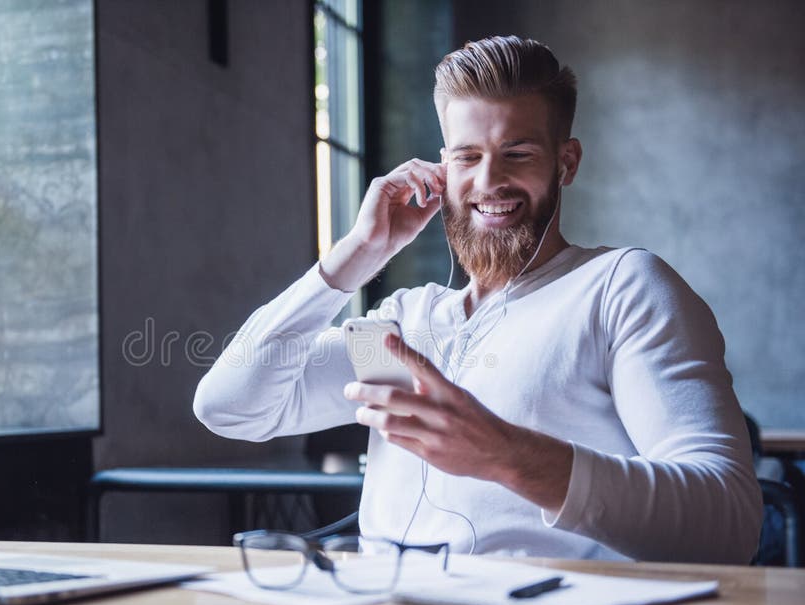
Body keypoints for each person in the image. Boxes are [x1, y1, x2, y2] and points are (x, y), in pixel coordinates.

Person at [193, 35, 762, 563]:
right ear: (444, 165)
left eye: (517, 153)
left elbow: (730, 522)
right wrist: (357, 255)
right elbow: (229, 406)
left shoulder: (622, 287)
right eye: (468, 156)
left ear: (566, 162)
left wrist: (508, 456)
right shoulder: (405, 321)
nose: (489, 181)